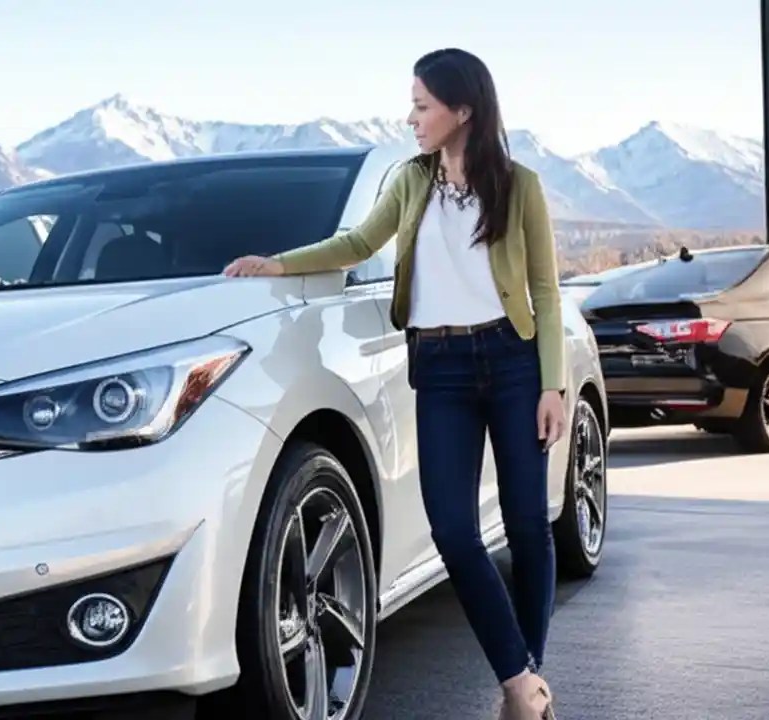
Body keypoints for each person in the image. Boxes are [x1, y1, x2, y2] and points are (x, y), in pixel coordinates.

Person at [223, 48, 566, 720]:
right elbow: (355, 244)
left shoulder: (519, 186)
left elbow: (546, 292)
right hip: (439, 370)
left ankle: (526, 682)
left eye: (421, 105)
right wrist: (276, 265)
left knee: (528, 525)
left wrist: (553, 386)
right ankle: (524, 681)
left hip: (514, 360)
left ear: (461, 110)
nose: (410, 118)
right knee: (453, 532)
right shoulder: (411, 182)